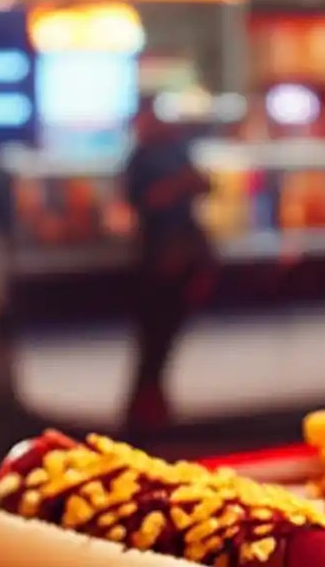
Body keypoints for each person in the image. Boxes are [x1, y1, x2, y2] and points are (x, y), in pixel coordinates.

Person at [121, 96, 215, 435]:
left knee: (165, 334)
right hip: (156, 256)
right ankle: (144, 407)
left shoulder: (174, 150)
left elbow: (205, 184)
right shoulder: (140, 158)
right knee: (153, 336)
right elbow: (142, 200)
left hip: (180, 253)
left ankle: (152, 403)